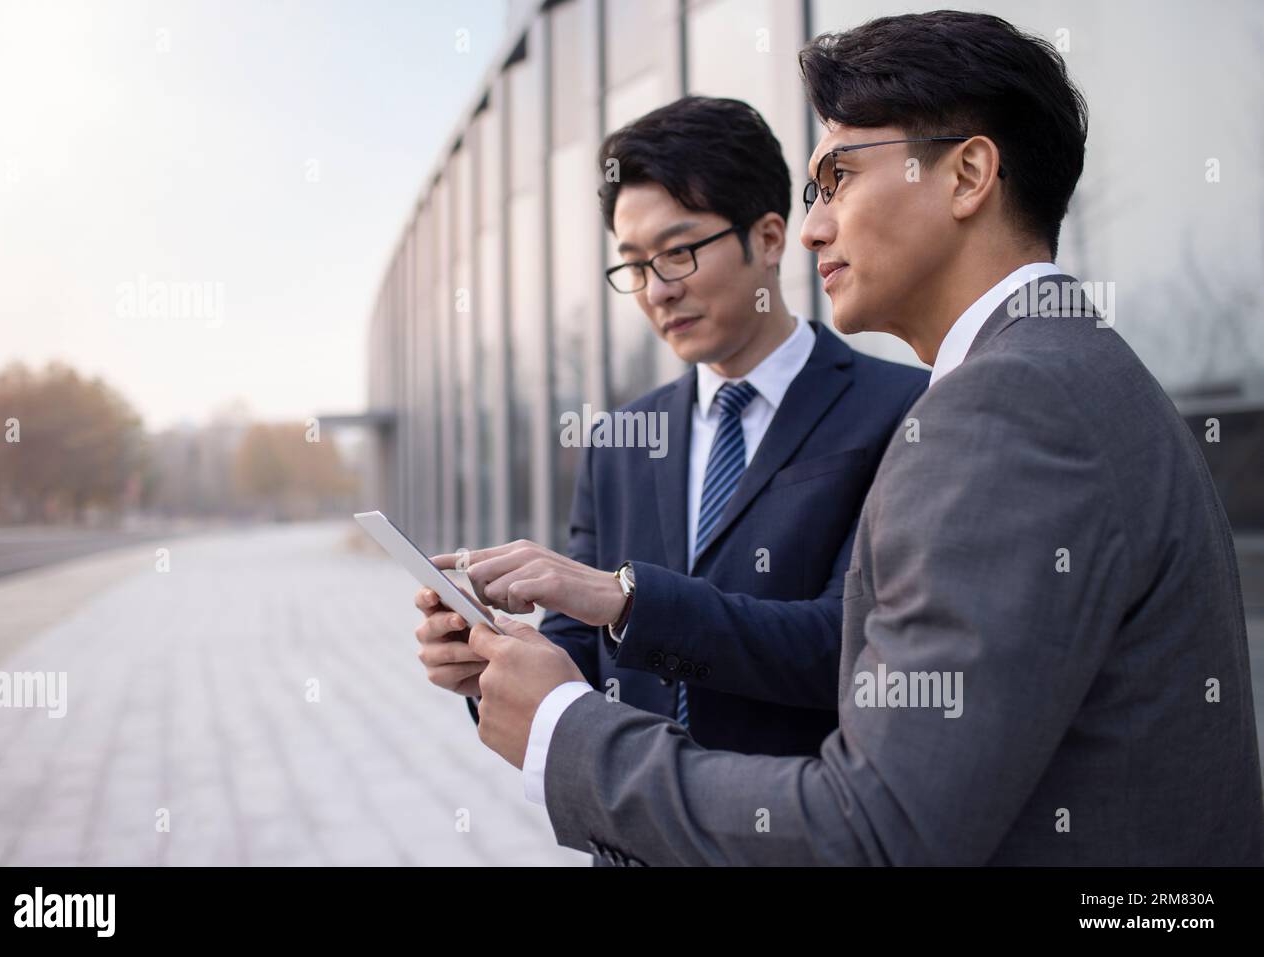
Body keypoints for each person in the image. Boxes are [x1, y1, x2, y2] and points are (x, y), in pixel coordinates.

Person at [460, 11, 1264, 866]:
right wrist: (509, 666)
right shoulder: (1064, 369)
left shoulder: (1003, 406)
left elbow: (879, 831)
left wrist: (565, 731)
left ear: (968, 175)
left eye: (838, 177)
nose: (815, 228)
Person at [413, 96, 927, 769]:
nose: (657, 290)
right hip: (635, 815)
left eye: (678, 253)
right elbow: (580, 655)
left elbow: (852, 646)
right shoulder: (618, 441)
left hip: (796, 811)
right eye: (634, 265)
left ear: (770, 239)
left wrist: (629, 602)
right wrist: (494, 663)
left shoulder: (903, 410)